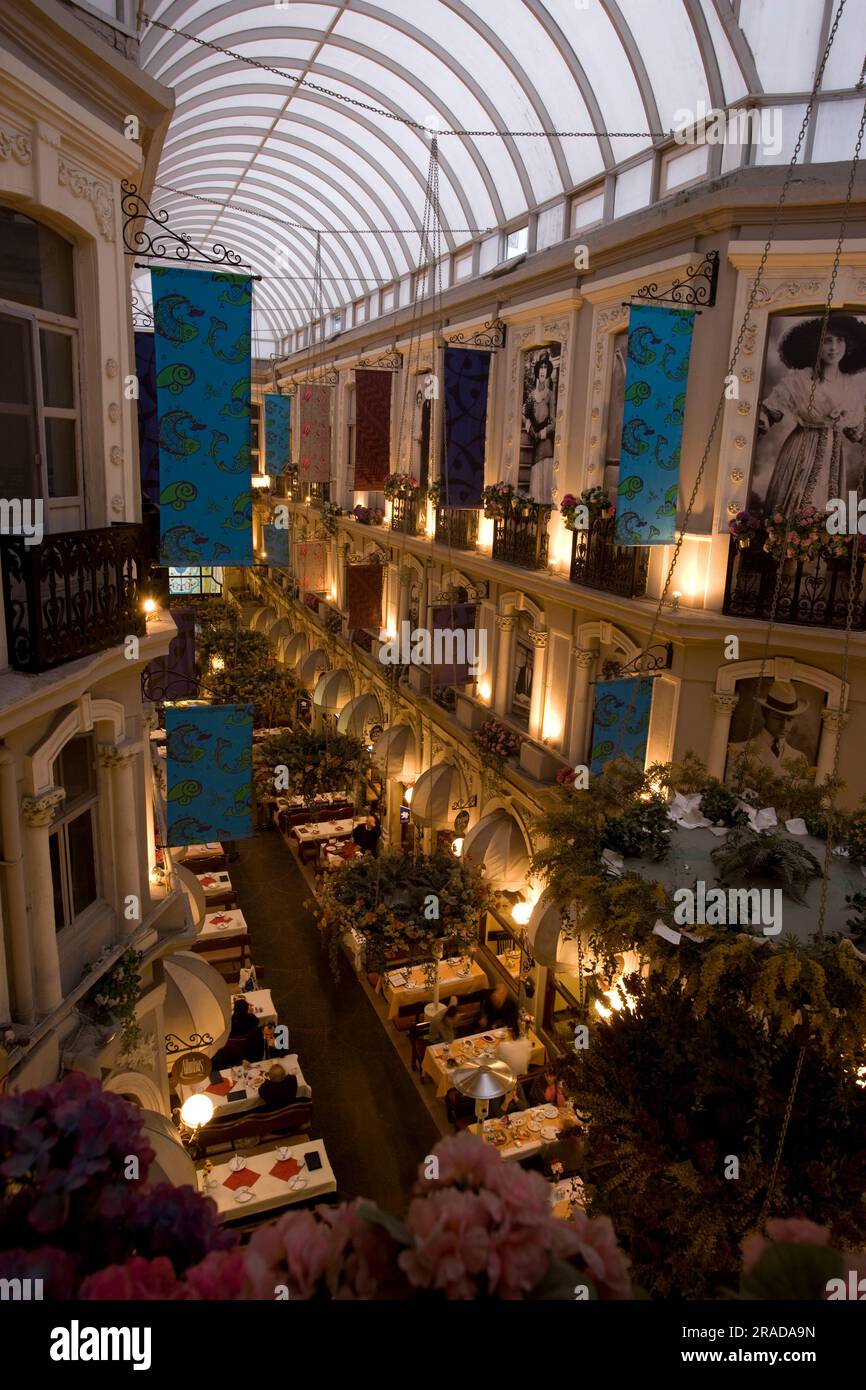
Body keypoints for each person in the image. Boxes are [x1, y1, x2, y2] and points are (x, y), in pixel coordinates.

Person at [758, 314, 866, 516]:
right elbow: (769, 411)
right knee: (793, 508)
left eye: (839, 340)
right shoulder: (799, 380)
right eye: (827, 341)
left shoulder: (851, 387)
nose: (834, 347)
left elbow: (857, 431)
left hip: (834, 457)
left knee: (827, 511)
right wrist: (760, 423)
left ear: (848, 344)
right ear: (816, 345)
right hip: (801, 451)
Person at [725, 679, 809, 781]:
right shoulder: (738, 752)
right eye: (778, 718)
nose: (784, 726)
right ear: (764, 713)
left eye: (789, 720)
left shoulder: (799, 758)